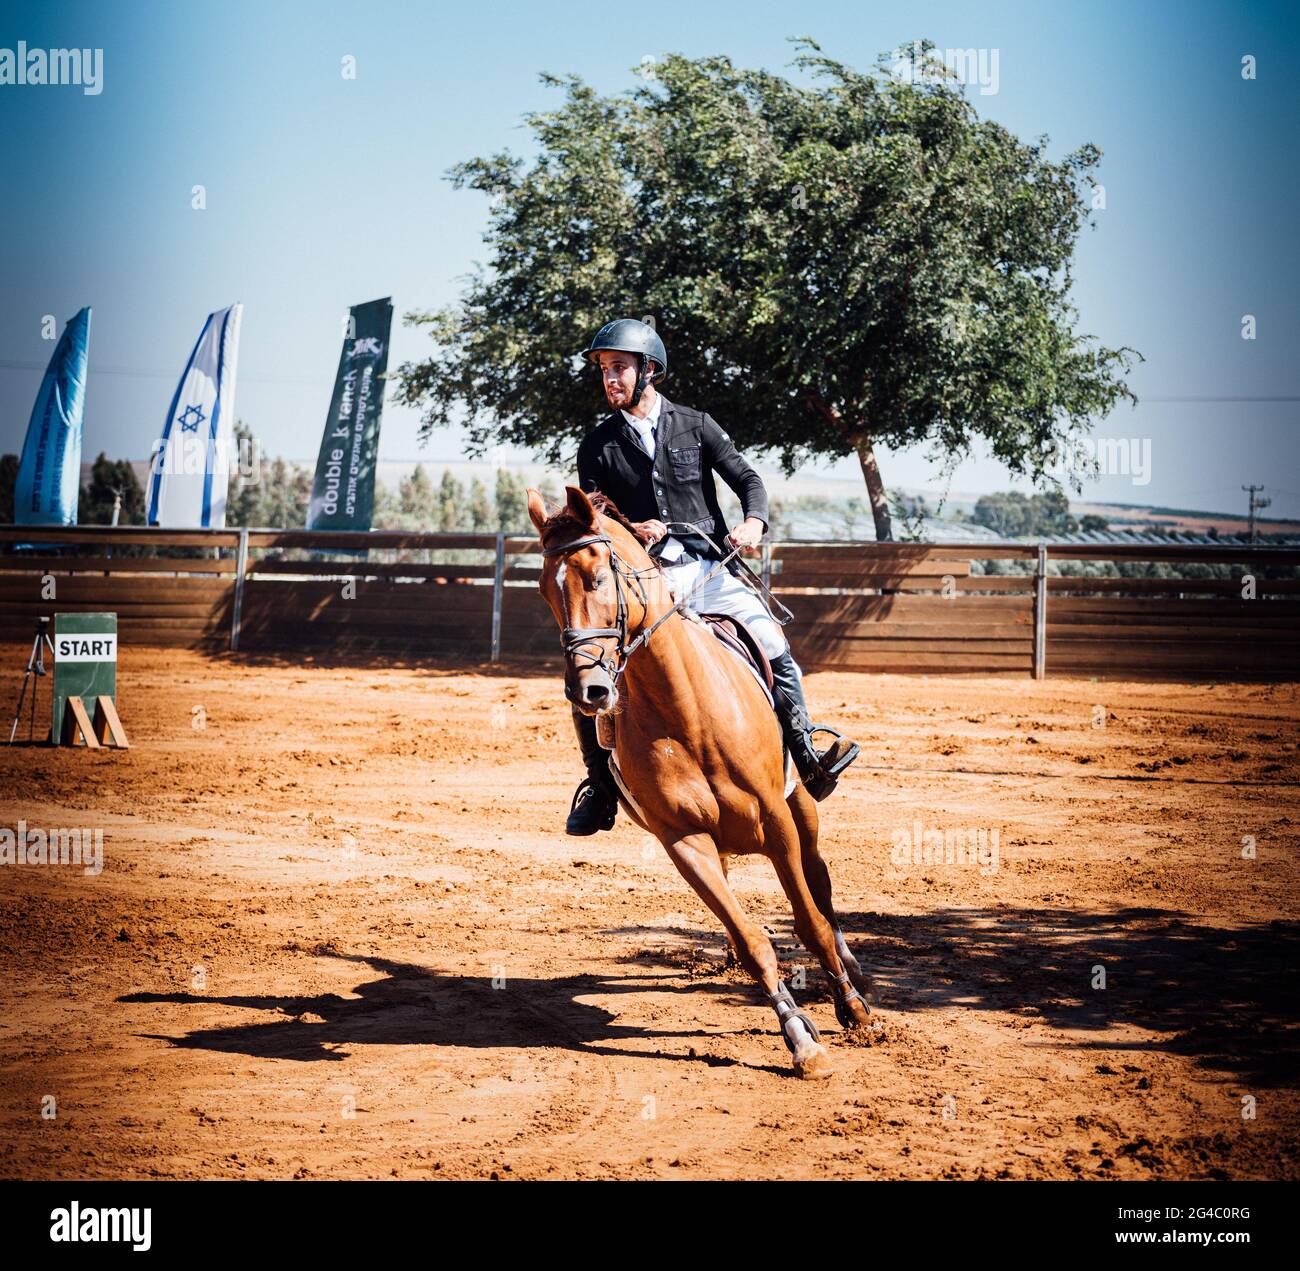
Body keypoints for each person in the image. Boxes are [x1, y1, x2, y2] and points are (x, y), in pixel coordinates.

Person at [563, 317, 860, 836]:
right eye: (604, 371)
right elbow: (596, 512)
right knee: (591, 665)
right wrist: (632, 527)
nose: (609, 379)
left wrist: (753, 521)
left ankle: (805, 747)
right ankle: (599, 786)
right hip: (644, 580)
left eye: (619, 369)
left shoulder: (696, 424)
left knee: (771, 639)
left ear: (648, 370)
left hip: (708, 565)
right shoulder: (598, 444)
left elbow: (747, 479)